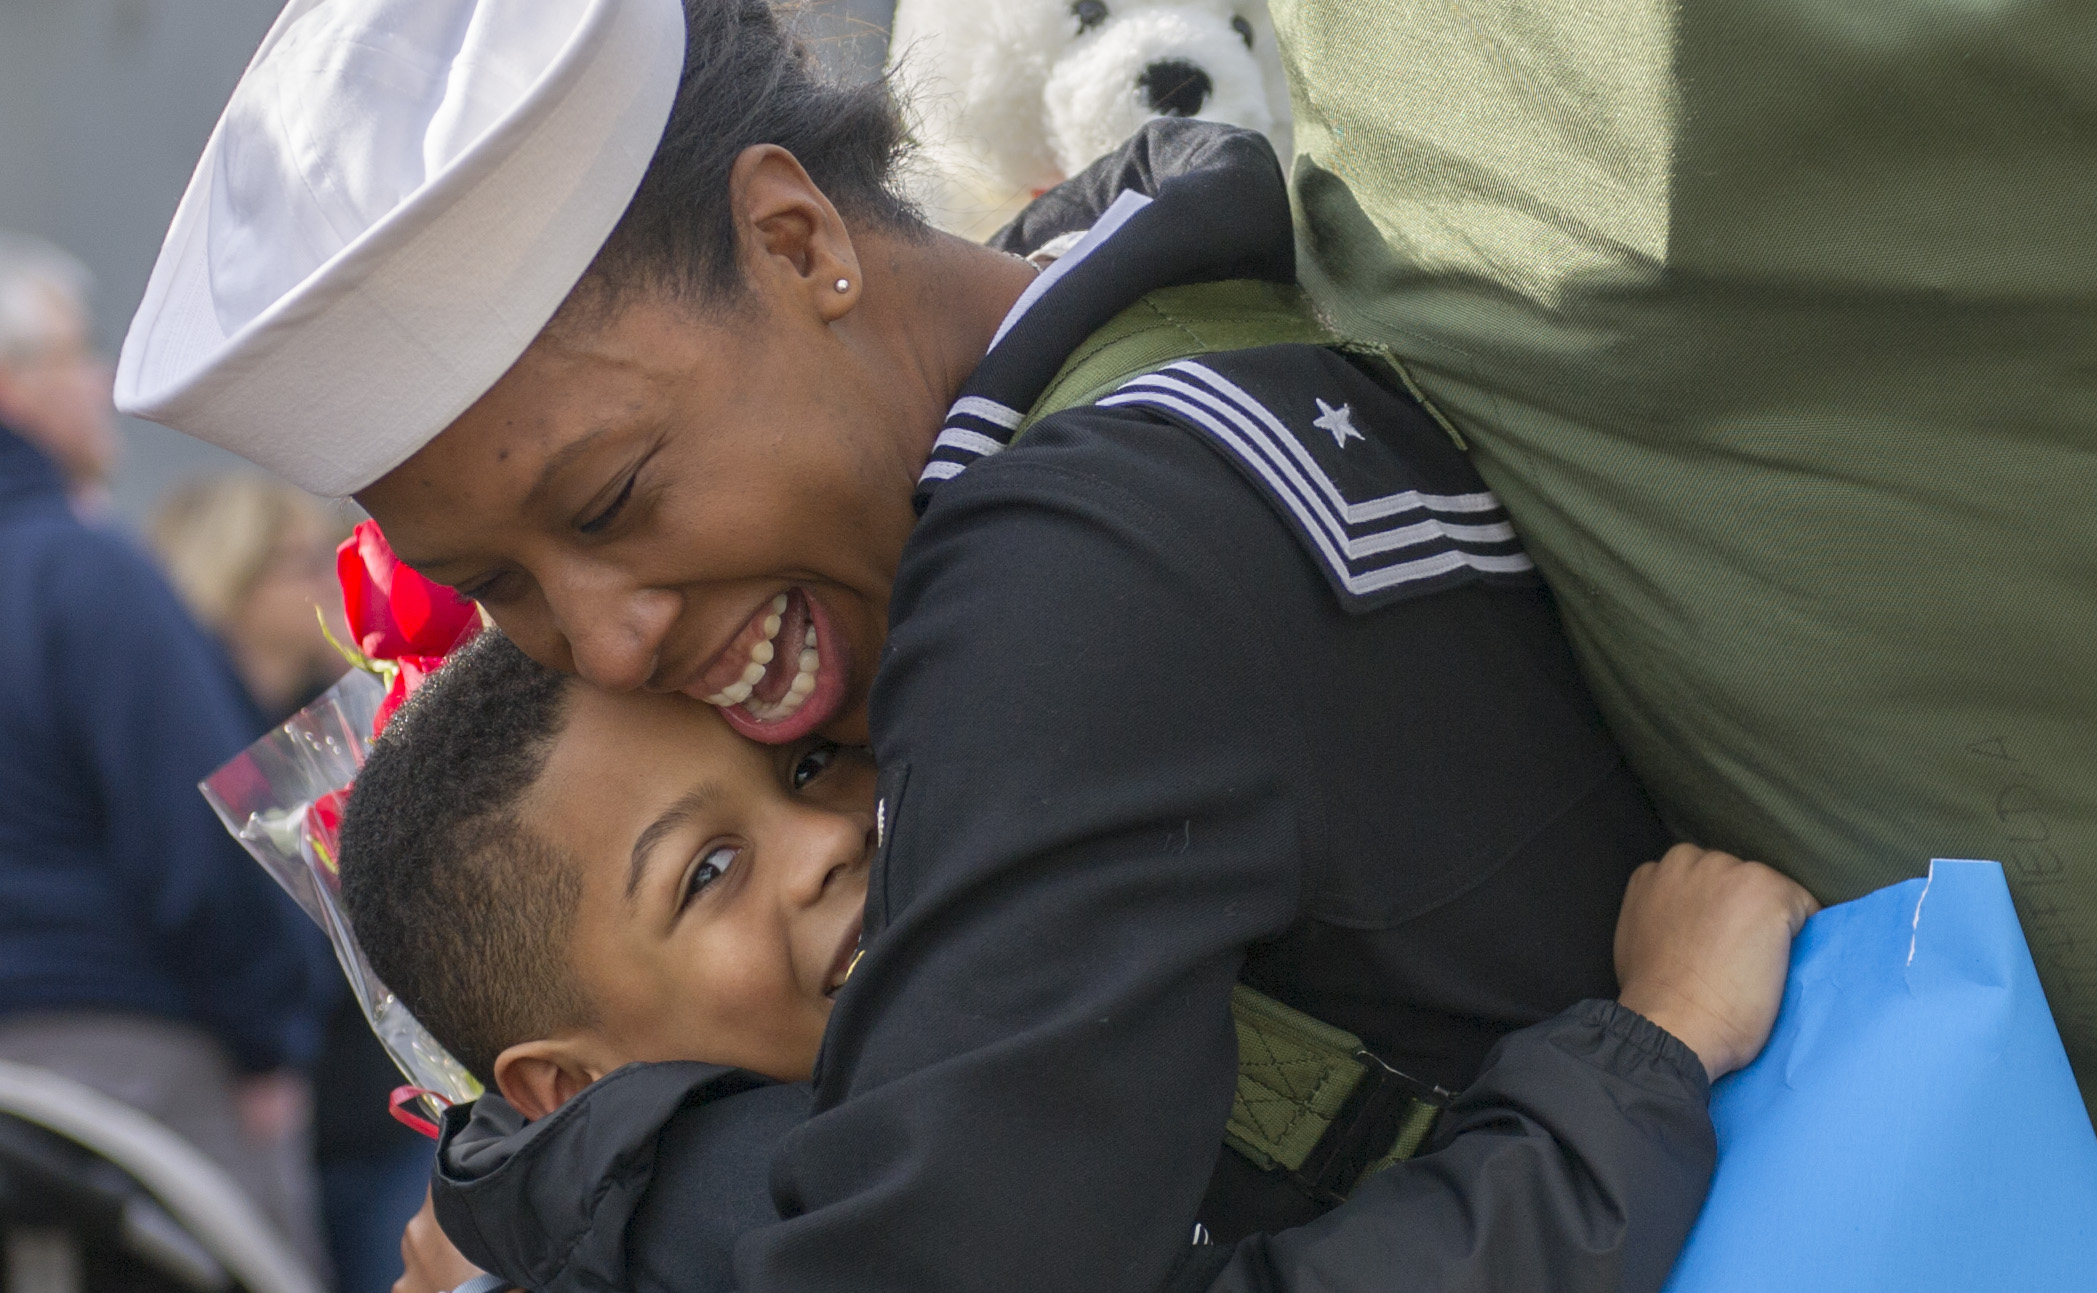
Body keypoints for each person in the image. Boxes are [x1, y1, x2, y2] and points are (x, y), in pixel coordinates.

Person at [116, 2, 1803, 1287]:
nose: (605, 642)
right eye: (494, 585)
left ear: (797, 240)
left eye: (617, 496)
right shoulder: (1161, 315)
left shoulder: (1061, 578)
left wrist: (556, 1172)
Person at [333, 628, 1806, 1293]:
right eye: (705, 874)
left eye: (809, 767)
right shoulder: (777, 1225)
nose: (832, 840)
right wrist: (1653, 1037)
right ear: (564, 1084)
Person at [0, 229, 333, 1275]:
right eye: (79, 351)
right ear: (12, 383)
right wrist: (270, 1034)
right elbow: (204, 828)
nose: (101, 379)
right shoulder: (81, 573)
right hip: (126, 1069)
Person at [149, 474, 437, 1293]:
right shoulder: (182, 737)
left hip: (379, 1102)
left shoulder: (355, 724)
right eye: (300, 561)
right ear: (228, 575)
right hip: (258, 1095)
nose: (328, 580)